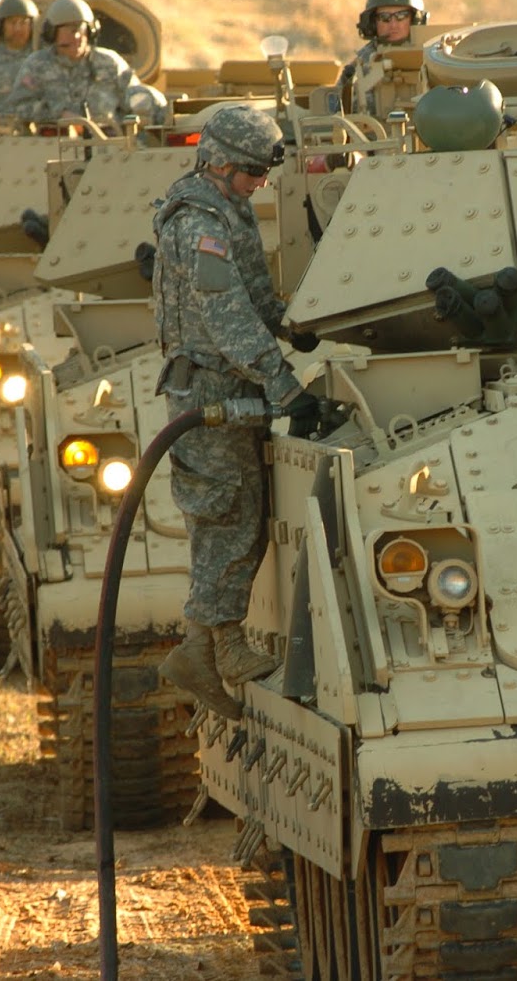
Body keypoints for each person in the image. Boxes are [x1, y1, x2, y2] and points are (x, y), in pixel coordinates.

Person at [150, 104, 322, 720]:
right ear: (219, 162)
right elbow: (226, 318)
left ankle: (212, 648)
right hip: (209, 393)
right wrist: (286, 385)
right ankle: (207, 648)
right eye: (252, 172)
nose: (259, 183)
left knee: (243, 518)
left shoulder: (230, 208)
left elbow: (254, 296)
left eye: (263, 173)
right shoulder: (197, 222)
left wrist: (293, 325)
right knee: (225, 519)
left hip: (232, 392)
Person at [3, 0, 140, 124]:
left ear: (90, 31)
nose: (76, 37)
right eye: (68, 30)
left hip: (108, 138)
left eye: (80, 29)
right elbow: (17, 107)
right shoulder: (36, 65)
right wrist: (58, 114)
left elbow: (137, 97)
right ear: (52, 33)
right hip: (55, 139)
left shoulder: (110, 63)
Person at [339, 0, 428, 115]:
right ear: (373, 22)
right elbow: (338, 109)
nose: (393, 24)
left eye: (401, 16)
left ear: (415, 19)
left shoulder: (432, 54)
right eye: (385, 17)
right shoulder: (360, 64)